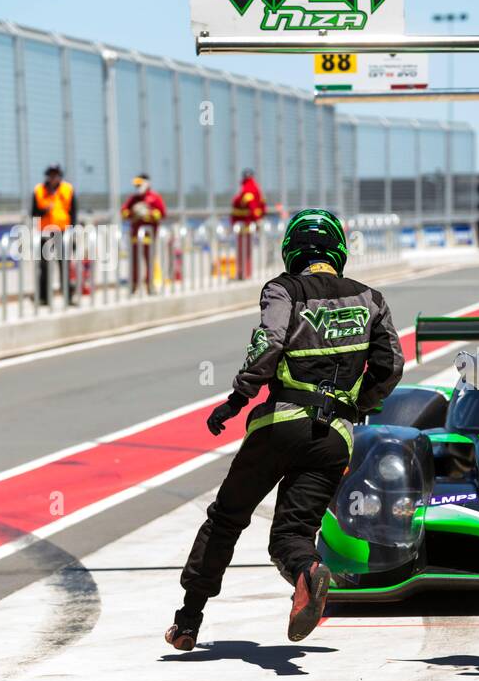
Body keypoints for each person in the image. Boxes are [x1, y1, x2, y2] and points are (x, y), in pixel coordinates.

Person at [166, 209, 402, 651]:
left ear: (293, 251)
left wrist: (237, 399)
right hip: (333, 438)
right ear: (338, 251)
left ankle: (188, 621)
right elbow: (391, 367)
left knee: (226, 519)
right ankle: (307, 572)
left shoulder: (283, 289)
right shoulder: (371, 298)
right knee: (292, 535)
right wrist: (355, 406)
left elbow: (269, 344)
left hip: (279, 425)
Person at [31, 165, 76, 305]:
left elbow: (73, 212)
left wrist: (72, 231)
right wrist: (45, 210)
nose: (53, 178)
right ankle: (43, 297)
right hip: (45, 233)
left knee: (65, 264)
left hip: (63, 232)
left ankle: (68, 297)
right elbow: (33, 213)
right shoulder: (39, 190)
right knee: (43, 266)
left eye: (56, 175)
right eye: (50, 175)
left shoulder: (68, 189)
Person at [120, 174, 166, 294]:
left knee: (150, 261)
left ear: (147, 183)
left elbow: (162, 213)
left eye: (140, 184)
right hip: (135, 235)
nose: (137, 187)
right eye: (136, 185)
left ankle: (150, 286)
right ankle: (133, 285)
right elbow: (124, 211)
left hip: (149, 236)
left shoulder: (155, 198)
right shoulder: (133, 199)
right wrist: (132, 214)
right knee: (134, 261)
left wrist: (149, 214)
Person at [231, 169, 266, 280]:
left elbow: (251, 206)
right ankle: (246, 272)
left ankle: (243, 273)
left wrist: (255, 219)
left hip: (245, 224)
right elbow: (261, 206)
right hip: (249, 223)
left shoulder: (248, 189)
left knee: (243, 250)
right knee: (247, 251)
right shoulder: (256, 189)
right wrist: (258, 219)